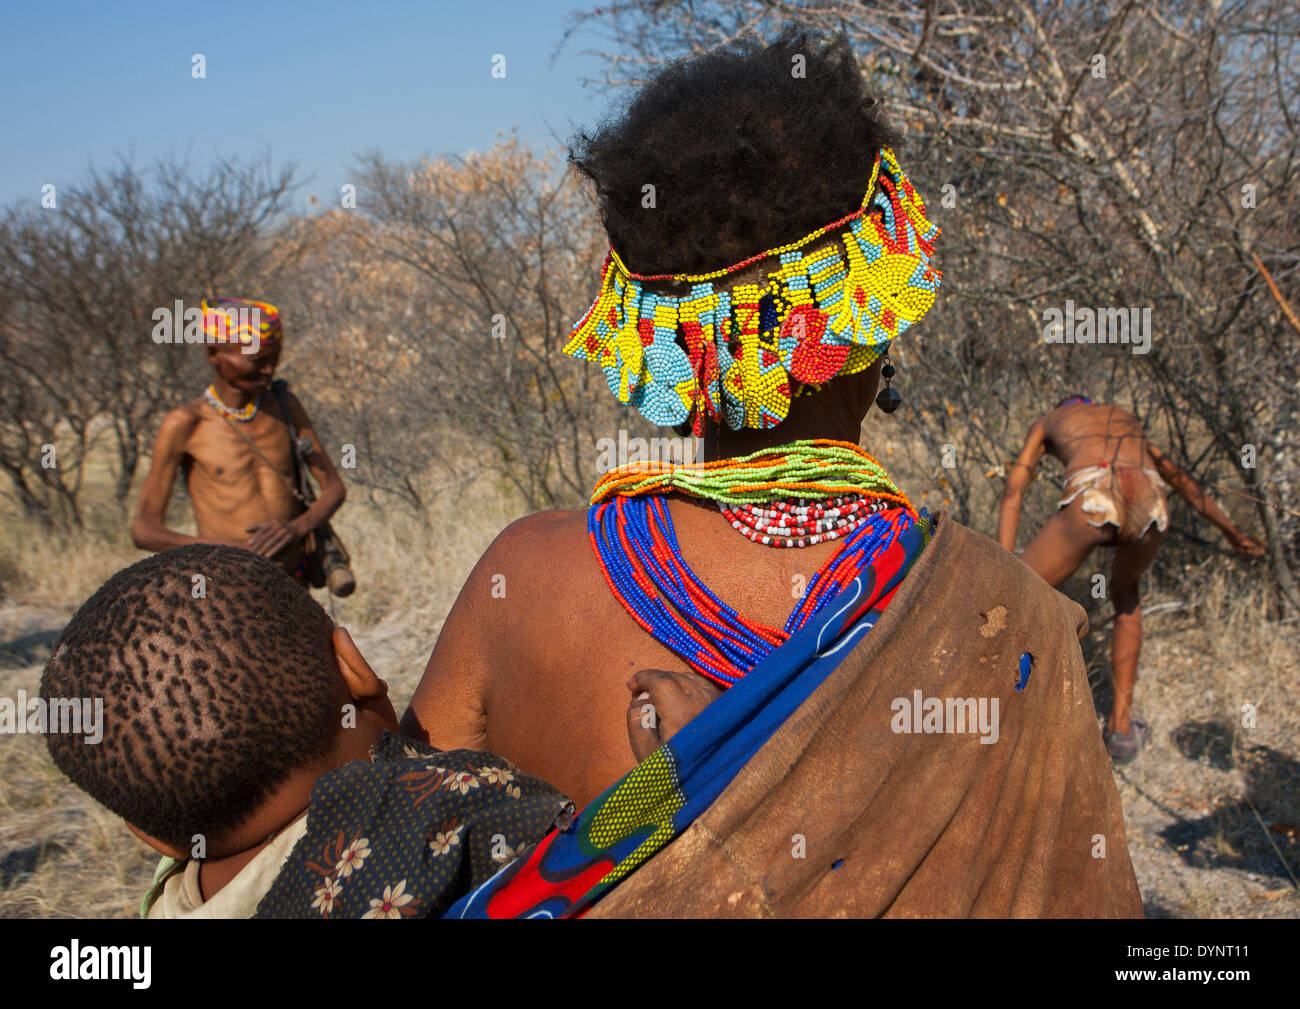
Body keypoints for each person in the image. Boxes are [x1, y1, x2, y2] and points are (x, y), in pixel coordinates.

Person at [403, 28, 1143, 917]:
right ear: (868, 315)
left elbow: (391, 847)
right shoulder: (997, 617)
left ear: (655, 337)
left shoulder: (522, 577)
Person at [38, 544, 710, 918]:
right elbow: (598, 877)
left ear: (152, 836)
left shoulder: (171, 898)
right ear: (355, 667)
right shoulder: (445, 807)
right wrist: (677, 772)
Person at [997, 396, 1266, 760]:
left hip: (1095, 491)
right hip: (1150, 497)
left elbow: (1014, 489)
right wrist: (1231, 532)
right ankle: (1121, 732)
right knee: (1125, 592)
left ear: (1067, 407)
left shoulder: (1049, 421)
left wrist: (1001, 564)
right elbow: (1180, 479)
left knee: (1014, 598)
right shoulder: (1121, 419)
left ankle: (1003, 718)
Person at [131, 298, 347, 588]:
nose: (269, 371)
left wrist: (295, 530)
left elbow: (334, 488)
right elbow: (145, 531)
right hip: (226, 587)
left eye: (274, 359)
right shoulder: (184, 424)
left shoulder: (285, 407)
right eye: (257, 361)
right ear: (213, 353)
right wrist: (230, 550)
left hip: (293, 582)